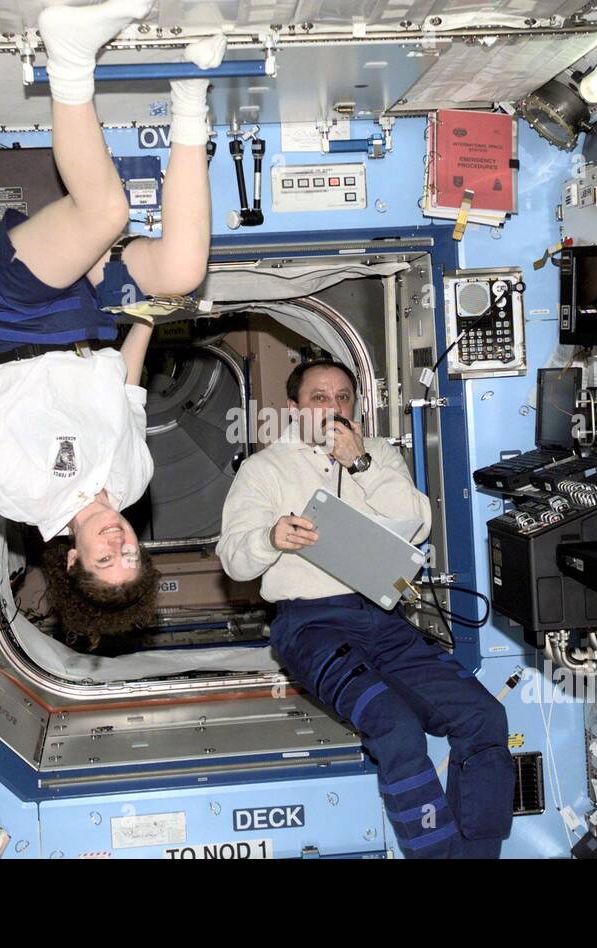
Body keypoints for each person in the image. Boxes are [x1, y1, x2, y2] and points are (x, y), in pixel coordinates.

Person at [0, 0, 222, 639]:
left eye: (105, 557)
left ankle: (68, 54)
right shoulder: (132, 481)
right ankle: (191, 91)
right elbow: (127, 386)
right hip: (96, 320)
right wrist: (149, 316)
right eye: (130, 553)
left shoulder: (24, 499)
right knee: (182, 272)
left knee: (106, 211)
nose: (119, 541)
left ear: (72, 561)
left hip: (16, 319)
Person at [216, 359, 516, 858]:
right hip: (310, 626)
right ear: (293, 409)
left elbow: (417, 523)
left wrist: (361, 465)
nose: (333, 408)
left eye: (343, 398)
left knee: (483, 717)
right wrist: (270, 538)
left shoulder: (377, 455)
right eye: (318, 398)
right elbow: (233, 559)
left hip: (381, 617)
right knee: (394, 727)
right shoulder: (263, 469)